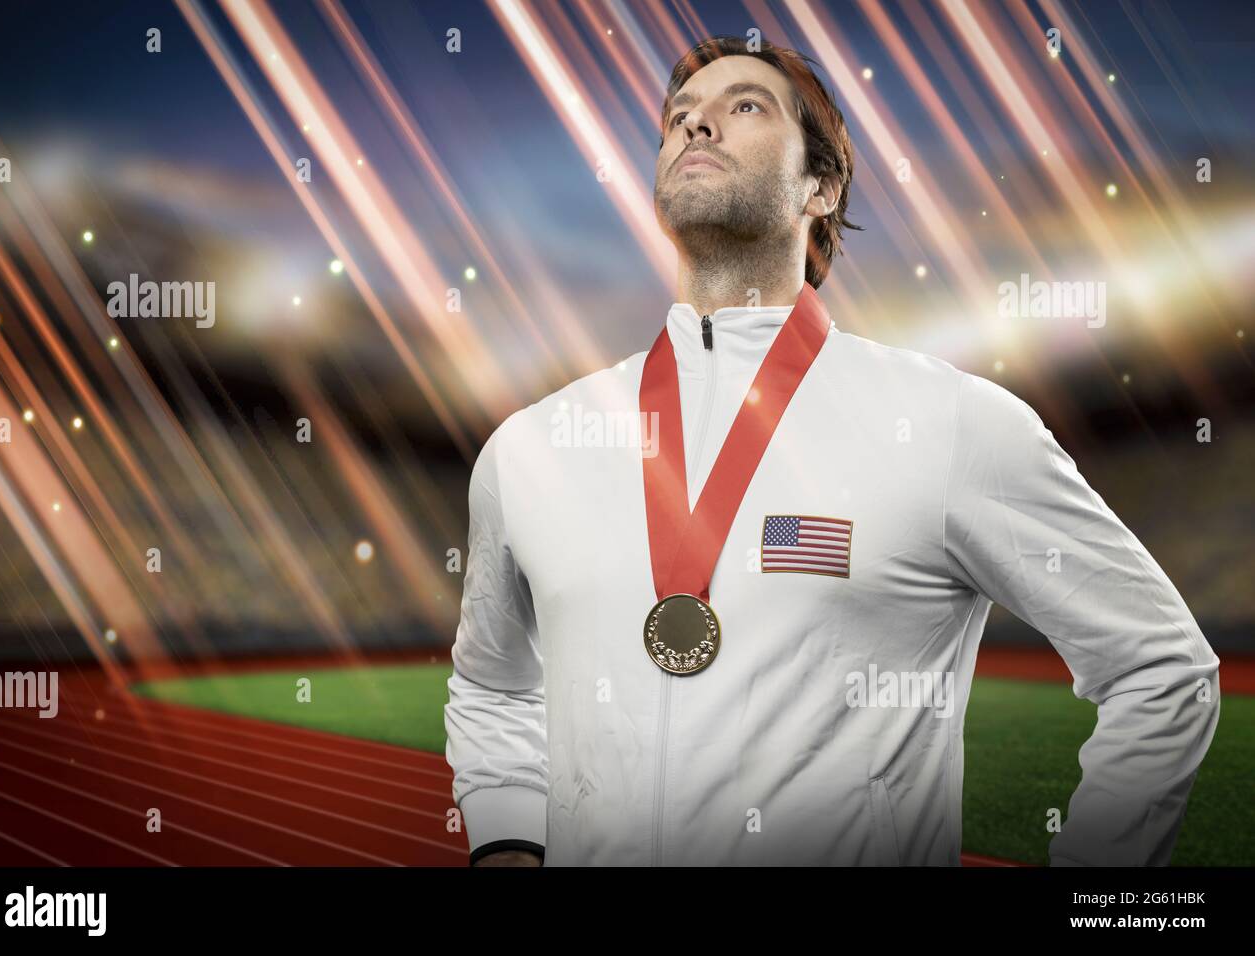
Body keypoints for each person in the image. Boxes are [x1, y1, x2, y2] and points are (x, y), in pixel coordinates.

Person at [443, 35, 1220, 866]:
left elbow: (1161, 669)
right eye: (679, 117)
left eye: (745, 106)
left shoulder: (949, 423)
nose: (696, 125)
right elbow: (492, 687)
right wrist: (506, 843)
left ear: (821, 185)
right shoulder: (532, 448)